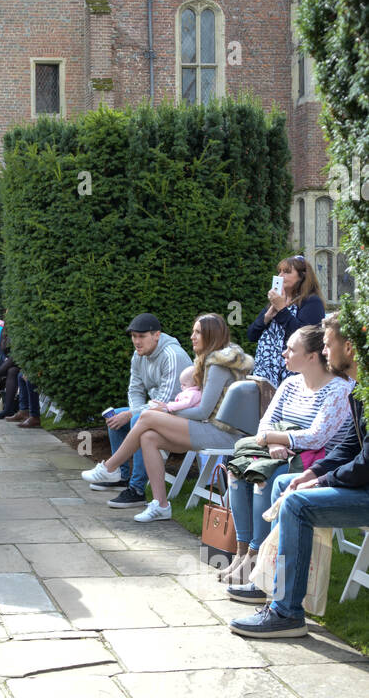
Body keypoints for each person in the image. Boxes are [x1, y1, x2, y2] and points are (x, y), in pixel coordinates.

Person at [229, 311, 366, 636]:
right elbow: (349, 445)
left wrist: (320, 480)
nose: (325, 350)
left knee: (297, 504)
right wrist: (312, 473)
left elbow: (365, 463)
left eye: (329, 344)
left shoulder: (356, 389)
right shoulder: (362, 389)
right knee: (284, 484)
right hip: (360, 484)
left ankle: (287, 613)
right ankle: (272, 585)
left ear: (349, 347)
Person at [82, 314, 254, 522]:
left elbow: (203, 412)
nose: (192, 336)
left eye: (198, 332)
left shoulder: (217, 365)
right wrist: (167, 410)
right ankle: (160, 505)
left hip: (223, 434)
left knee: (147, 416)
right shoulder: (209, 361)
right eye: (193, 331)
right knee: (149, 438)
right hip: (209, 428)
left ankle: (110, 468)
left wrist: (167, 411)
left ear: (212, 335)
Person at [83, 313, 192, 510]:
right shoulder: (138, 355)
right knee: (118, 415)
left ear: (156, 335)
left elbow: (165, 401)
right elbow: (134, 389)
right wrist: (131, 412)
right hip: (156, 410)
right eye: (134, 336)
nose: (136, 341)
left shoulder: (172, 355)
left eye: (141, 336)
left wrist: (133, 414)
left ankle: (137, 490)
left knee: (136, 420)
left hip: (179, 414)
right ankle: (121, 476)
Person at [247, 255, 325, 386]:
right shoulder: (275, 303)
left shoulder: (311, 302)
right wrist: (267, 316)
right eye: (280, 271)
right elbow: (252, 335)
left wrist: (282, 309)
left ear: (302, 276)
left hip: (294, 375)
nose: (280, 275)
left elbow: (305, 338)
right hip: (266, 376)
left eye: (287, 272)